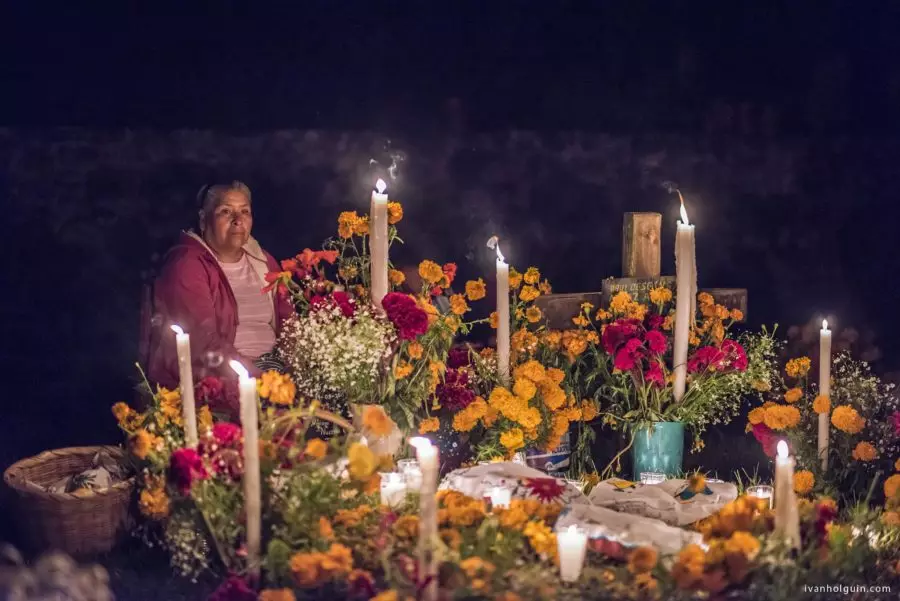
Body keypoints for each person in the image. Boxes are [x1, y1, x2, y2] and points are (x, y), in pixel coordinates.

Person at [142, 181, 293, 390]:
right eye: (225, 211)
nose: (238, 220)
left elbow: (290, 322)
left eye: (245, 212)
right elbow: (203, 343)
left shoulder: (263, 261)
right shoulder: (187, 265)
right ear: (204, 220)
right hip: (223, 379)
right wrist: (264, 381)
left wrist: (295, 369)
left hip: (273, 371)